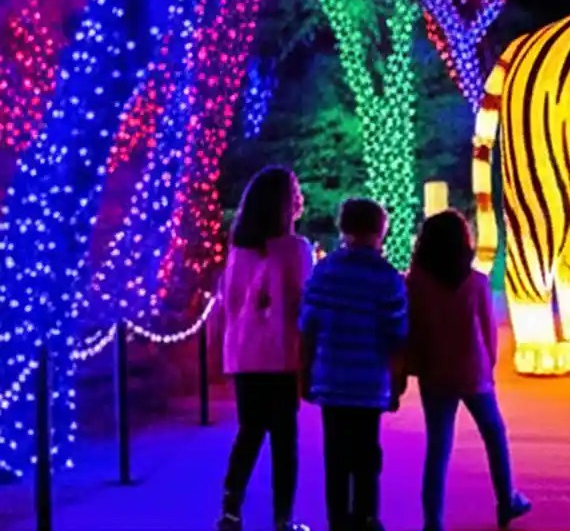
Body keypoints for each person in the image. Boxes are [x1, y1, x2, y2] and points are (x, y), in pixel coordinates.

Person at [400, 210, 532, 531]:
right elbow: (488, 331)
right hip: (473, 371)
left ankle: (433, 521)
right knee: (494, 434)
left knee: (438, 447)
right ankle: (506, 500)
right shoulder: (476, 283)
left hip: (434, 372)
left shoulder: (414, 283)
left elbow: (410, 329)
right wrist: (489, 367)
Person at [301, 198, 408, 531]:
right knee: (366, 455)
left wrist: (304, 373)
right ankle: (366, 517)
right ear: (380, 231)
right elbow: (397, 335)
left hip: (331, 378)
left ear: (342, 228)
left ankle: (338, 521)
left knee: (335, 455)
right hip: (369, 382)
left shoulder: (324, 272)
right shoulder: (388, 277)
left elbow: (308, 327)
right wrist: (397, 380)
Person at [216, 166, 313, 531]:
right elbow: (305, 302)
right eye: (294, 191)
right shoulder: (296, 249)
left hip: (243, 355)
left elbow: (229, 301)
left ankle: (230, 508)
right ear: (282, 203)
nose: (299, 197)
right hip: (280, 355)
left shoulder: (239, 250)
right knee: (284, 440)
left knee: (249, 432)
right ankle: (283, 519)